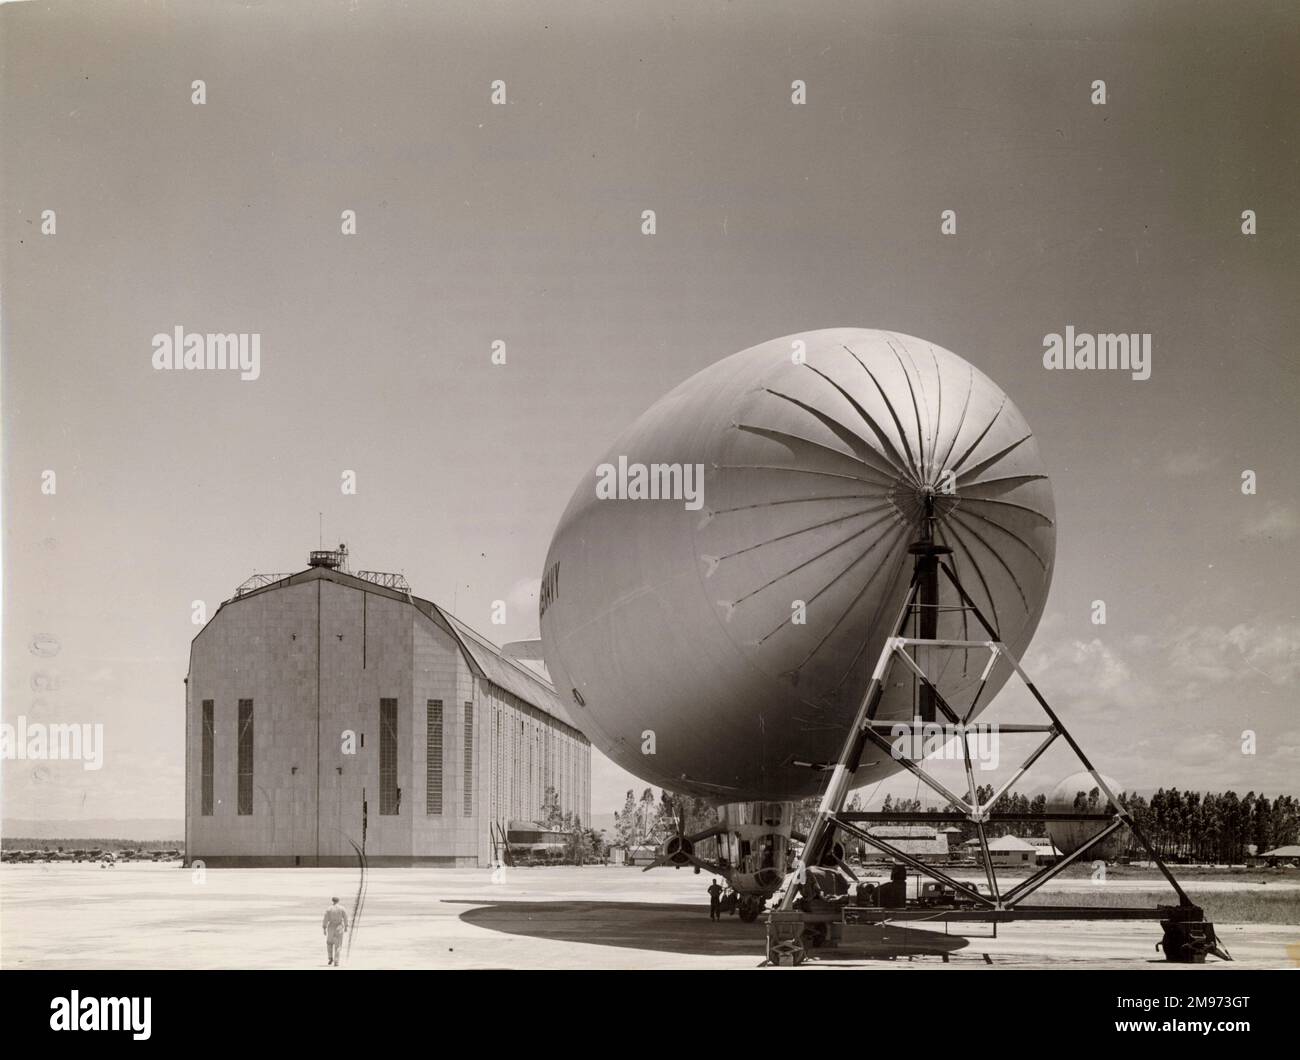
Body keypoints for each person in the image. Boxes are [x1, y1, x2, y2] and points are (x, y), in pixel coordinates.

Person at [322, 896, 349, 966]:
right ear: (338, 901)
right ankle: (336, 961)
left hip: (331, 927)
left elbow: (325, 919)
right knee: (338, 945)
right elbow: (346, 917)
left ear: (332, 901)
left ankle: (330, 957)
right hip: (339, 927)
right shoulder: (342, 908)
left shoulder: (329, 909)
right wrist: (346, 926)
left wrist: (324, 928)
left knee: (329, 943)